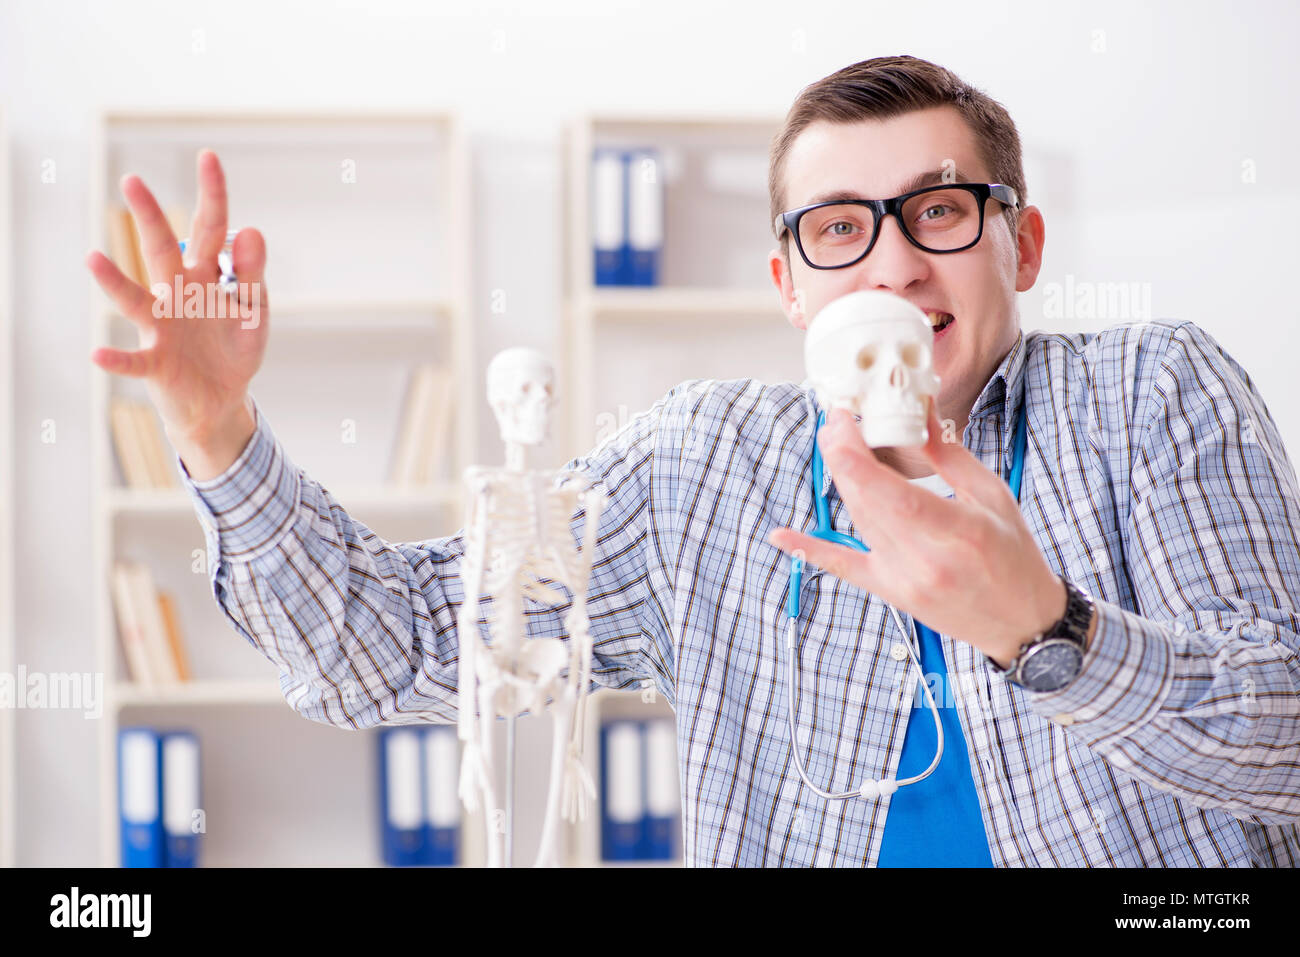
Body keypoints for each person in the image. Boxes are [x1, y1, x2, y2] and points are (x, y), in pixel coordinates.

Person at [85, 55, 1300, 867]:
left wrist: (1050, 633)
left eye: (937, 211)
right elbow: (396, 652)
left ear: (1017, 244)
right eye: (837, 229)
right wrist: (217, 431)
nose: (891, 268)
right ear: (786, 285)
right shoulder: (698, 468)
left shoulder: (1153, 394)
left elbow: (1285, 747)